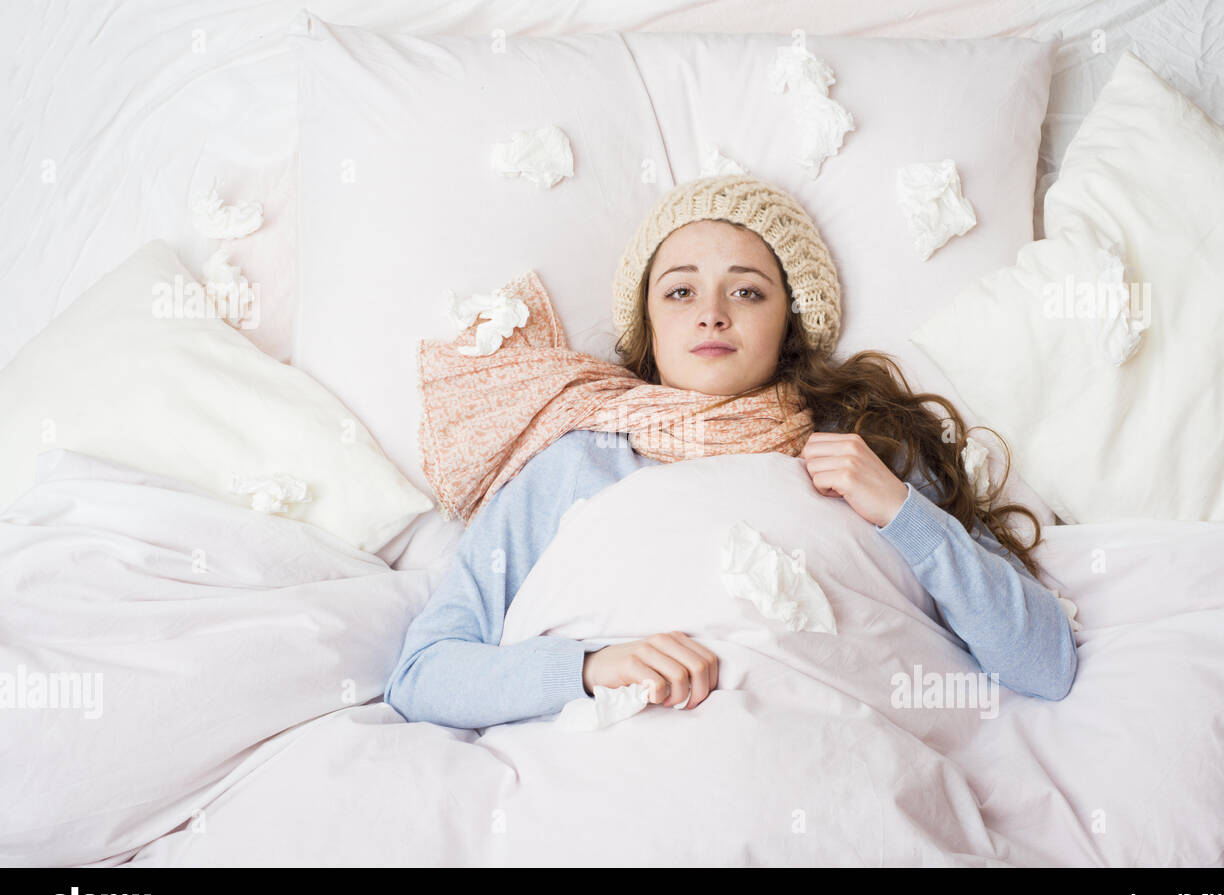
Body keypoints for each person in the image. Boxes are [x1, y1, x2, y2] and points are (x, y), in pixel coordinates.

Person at [385, 174, 1078, 730]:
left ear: (792, 324)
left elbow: (1042, 662)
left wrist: (904, 510)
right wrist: (590, 668)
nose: (711, 312)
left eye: (747, 291)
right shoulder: (576, 461)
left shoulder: (866, 450)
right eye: (680, 291)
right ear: (648, 325)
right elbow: (422, 675)